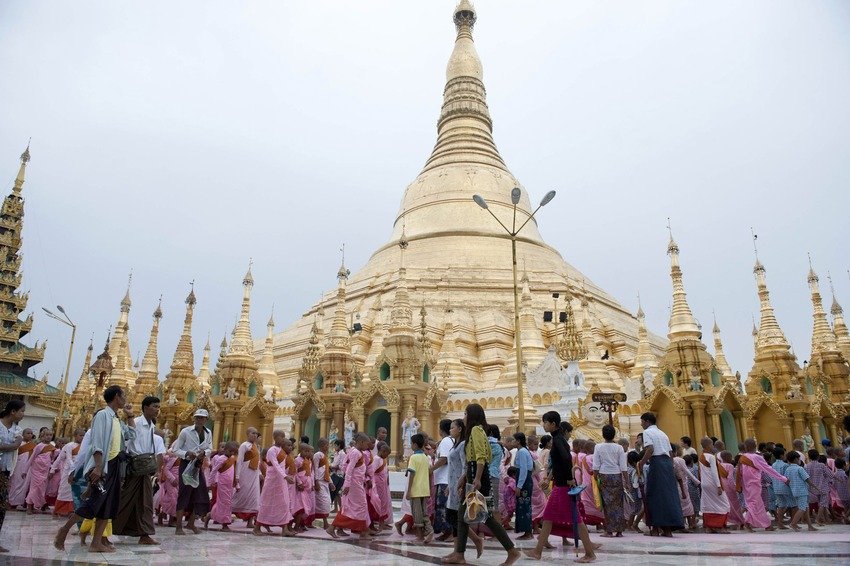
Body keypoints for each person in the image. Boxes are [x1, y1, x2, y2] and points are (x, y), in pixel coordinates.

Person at [54, 385, 137, 553]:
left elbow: (132, 435)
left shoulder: (116, 419)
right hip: (103, 466)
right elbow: (97, 443)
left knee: (108, 504)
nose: (126, 399)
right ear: (116, 397)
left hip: (114, 466)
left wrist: (130, 416)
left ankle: (96, 542)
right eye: (124, 396)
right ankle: (64, 530)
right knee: (94, 502)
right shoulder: (102, 415)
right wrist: (98, 467)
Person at [441, 403, 520, 566]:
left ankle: (512, 551)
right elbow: (481, 457)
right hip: (472, 477)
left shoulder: (476, 430)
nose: (463, 417)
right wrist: (465, 476)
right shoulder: (476, 431)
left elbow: (482, 457)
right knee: (462, 516)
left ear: (472, 415)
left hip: (477, 480)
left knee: (486, 518)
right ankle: (459, 554)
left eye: (465, 413)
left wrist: (476, 478)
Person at [523, 412, 598, 563]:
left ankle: (590, 553)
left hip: (563, 487)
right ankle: (537, 551)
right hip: (561, 486)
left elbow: (565, 458)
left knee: (576, 519)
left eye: (545, 422)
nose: (543, 425)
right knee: (549, 517)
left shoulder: (557, 440)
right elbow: (560, 462)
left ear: (552, 423)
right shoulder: (559, 439)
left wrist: (570, 479)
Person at [113, 395, 163, 545]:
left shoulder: (151, 426)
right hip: (135, 467)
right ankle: (105, 529)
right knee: (125, 500)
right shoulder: (136, 422)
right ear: (145, 408)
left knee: (145, 502)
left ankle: (144, 534)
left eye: (158, 407)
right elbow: (128, 441)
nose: (157, 410)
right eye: (154, 406)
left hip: (145, 468)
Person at [637, 412, 684, 537]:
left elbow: (650, 449)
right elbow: (670, 453)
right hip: (667, 464)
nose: (641, 424)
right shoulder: (663, 433)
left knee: (654, 495)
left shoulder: (647, 432)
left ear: (647, 421)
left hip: (657, 463)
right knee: (668, 495)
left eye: (642, 422)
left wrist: (641, 463)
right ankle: (667, 529)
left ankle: (655, 528)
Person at [173, 408, 212, 535]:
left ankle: (191, 523)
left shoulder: (208, 433)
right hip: (186, 464)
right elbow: (175, 449)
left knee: (200, 494)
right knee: (184, 493)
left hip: (198, 465)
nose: (199, 420)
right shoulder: (185, 432)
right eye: (197, 417)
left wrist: (204, 453)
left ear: (206, 420)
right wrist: (186, 454)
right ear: (193, 419)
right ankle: (178, 526)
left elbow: (210, 448)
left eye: (202, 418)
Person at [736, 438, 787, 531]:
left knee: (758, 504)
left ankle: (767, 525)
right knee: (754, 503)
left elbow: (740, 472)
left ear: (746, 447)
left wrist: (739, 485)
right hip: (754, 483)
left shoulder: (743, 457)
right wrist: (783, 478)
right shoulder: (757, 457)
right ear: (755, 446)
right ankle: (747, 522)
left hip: (746, 484)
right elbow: (768, 469)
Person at [328, 432, 371, 540]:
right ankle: (363, 532)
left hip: (356, 483)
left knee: (350, 507)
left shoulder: (355, 451)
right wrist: (347, 484)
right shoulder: (356, 452)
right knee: (361, 506)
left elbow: (346, 467)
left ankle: (337, 528)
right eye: (366, 444)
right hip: (354, 484)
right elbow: (349, 469)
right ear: (361, 442)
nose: (367, 447)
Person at [254, 432, 295, 536]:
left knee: (284, 503)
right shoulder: (272, 450)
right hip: (272, 480)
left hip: (281, 481)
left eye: (283, 437)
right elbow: (276, 465)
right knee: (266, 504)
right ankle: (257, 528)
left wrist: (286, 476)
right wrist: (285, 476)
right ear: (276, 438)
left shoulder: (282, 451)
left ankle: (284, 529)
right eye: (282, 437)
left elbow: (283, 466)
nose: (283, 439)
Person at [593, 424, 628, 537]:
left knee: (607, 503)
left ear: (603, 435)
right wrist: (626, 481)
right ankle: (619, 531)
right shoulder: (619, 448)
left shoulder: (598, 447)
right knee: (618, 503)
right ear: (614, 435)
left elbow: (596, 466)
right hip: (617, 475)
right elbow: (623, 467)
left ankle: (608, 531)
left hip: (604, 475)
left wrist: (595, 478)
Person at [0, 400, 25, 553]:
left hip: (5, 471)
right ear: (13, 411)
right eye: (21, 411)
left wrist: (8, 446)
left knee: (2, 507)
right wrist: (13, 446)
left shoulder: (17, 429)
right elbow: (15, 445)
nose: (23, 415)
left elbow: (15, 445)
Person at [406, 433, 434, 544]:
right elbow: (429, 472)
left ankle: (420, 536)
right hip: (424, 489)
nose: (411, 445)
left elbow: (412, 475)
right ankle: (429, 530)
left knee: (417, 513)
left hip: (416, 490)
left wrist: (409, 491)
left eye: (411, 443)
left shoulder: (413, 457)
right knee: (424, 512)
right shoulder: (425, 457)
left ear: (415, 444)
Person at [698, 437, 730, 533]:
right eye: (712, 445)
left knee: (708, 505)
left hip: (704, 483)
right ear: (708, 446)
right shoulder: (711, 457)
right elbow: (714, 472)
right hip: (712, 483)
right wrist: (719, 486)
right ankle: (720, 527)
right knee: (724, 504)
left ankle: (709, 527)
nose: (713, 446)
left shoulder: (701, 456)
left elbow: (700, 472)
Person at [232, 427, 261, 527]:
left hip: (254, 475)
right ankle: (224, 513)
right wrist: (237, 476)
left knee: (254, 498)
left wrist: (260, 473)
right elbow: (239, 461)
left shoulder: (256, 446)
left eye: (256, 433)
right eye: (252, 433)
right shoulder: (244, 446)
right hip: (245, 474)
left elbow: (258, 461)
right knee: (240, 496)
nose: (255, 435)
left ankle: (250, 522)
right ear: (247, 434)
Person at [52, 428, 84, 518]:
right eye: (80, 435)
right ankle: (57, 510)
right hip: (68, 471)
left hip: (78, 472)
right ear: (75, 436)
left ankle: (71, 511)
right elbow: (67, 458)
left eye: (83, 435)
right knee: (63, 491)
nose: (82, 437)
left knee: (73, 492)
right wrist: (52, 469)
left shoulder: (85, 446)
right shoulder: (69, 445)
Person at [208, 441, 239, 531]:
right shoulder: (221, 459)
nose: (232, 453)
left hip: (230, 486)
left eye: (233, 452)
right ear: (225, 450)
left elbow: (234, 473)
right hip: (222, 484)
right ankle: (225, 524)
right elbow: (214, 470)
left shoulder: (232, 458)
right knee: (225, 503)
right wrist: (211, 481)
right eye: (230, 451)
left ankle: (210, 516)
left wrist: (237, 484)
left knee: (226, 503)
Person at [785, 451, 820, 531]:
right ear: (796, 459)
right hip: (802, 491)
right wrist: (815, 487)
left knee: (806, 508)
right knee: (802, 508)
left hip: (794, 491)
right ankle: (793, 523)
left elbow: (787, 481)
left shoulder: (788, 469)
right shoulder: (799, 468)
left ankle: (810, 526)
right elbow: (807, 479)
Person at [25, 428, 57, 514]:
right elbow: (32, 457)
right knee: (34, 489)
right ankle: (29, 507)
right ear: (42, 436)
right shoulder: (39, 446)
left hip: (45, 471)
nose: (49, 437)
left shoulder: (52, 447)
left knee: (41, 490)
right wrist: (25, 470)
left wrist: (52, 471)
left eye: (50, 435)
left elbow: (53, 460)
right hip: (36, 470)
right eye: (47, 435)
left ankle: (37, 505)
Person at [432, 419, 453, 539]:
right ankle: (447, 533)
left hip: (444, 479)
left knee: (443, 506)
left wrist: (431, 469)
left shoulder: (446, 441)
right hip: (447, 478)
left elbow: (443, 459)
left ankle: (448, 532)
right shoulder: (452, 440)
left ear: (440, 429)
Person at [513, 432, 534, 540]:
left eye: (513, 440)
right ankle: (527, 531)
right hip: (525, 481)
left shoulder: (522, 452)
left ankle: (528, 532)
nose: (512, 442)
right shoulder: (523, 451)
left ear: (518, 441)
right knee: (525, 505)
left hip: (524, 482)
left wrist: (519, 485)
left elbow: (524, 469)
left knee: (524, 506)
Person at [7, 427, 34, 510]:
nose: (29, 435)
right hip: (17, 466)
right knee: (15, 483)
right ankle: (10, 502)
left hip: (28, 468)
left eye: (31, 433)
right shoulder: (18, 443)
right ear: (23, 434)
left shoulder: (33, 445)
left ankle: (19, 503)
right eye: (28, 433)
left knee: (24, 484)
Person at [805, 449, 832, 526]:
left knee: (821, 504)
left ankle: (826, 519)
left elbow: (806, 477)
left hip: (813, 488)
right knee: (823, 504)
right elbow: (830, 474)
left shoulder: (807, 466)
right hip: (823, 487)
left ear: (809, 457)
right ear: (818, 457)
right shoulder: (822, 465)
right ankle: (818, 519)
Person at [312, 437, 333, 529]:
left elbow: (326, 471)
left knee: (326, 502)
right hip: (319, 482)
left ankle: (325, 522)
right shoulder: (317, 455)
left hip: (325, 482)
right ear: (321, 446)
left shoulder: (325, 456)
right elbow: (315, 468)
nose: (327, 447)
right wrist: (316, 481)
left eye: (328, 445)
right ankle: (323, 522)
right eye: (326, 445)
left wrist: (331, 482)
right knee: (322, 502)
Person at [770, 446, 792, 530]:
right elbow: (786, 476)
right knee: (791, 504)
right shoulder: (785, 465)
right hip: (784, 486)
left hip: (776, 486)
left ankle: (780, 523)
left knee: (780, 505)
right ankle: (793, 521)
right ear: (782, 455)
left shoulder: (773, 465)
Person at [329, 438, 346, 512]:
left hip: (339, 474)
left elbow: (342, 465)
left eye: (335, 445)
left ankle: (342, 508)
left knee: (338, 492)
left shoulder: (343, 454)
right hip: (334, 473)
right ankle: (336, 508)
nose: (334, 447)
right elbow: (335, 463)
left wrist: (333, 467)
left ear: (339, 445)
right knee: (334, 491)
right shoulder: (336, 454)